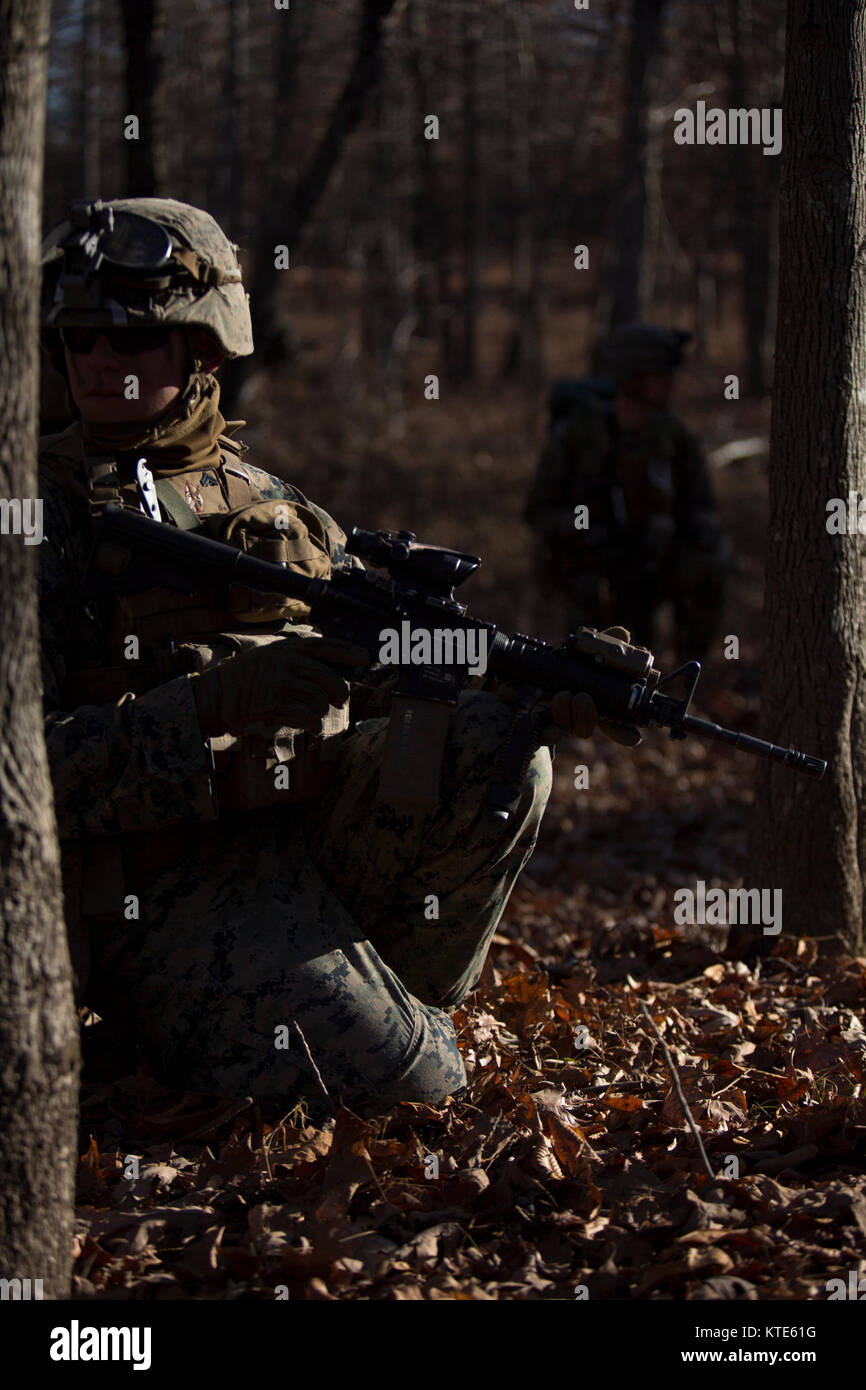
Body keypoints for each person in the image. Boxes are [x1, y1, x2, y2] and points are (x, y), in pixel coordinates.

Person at [38, 197, 634, 1118]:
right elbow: (21, 770)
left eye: (130, 344)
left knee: (496, 753)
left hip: (282, 845)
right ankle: (294, 1028)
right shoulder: (37, 516)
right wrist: (201, 711)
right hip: (138, 888)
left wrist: (533, 691)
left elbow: (389, 667)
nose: (98, 365)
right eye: (80, 342)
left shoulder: (265, 501)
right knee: (419, 1088)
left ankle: (354, 1005)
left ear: (204, 353)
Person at [524, 323, 730, 663]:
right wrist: (581, 528)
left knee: (712, 560)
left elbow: (702, 508)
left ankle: (686, 674)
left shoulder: (673, 437)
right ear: (632, 377)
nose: (671, 384)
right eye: (659, 376)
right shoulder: (578, 432)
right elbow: (537, 510)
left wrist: (681, 537)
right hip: (588, 571)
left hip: (650, 565)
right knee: (589, 661)